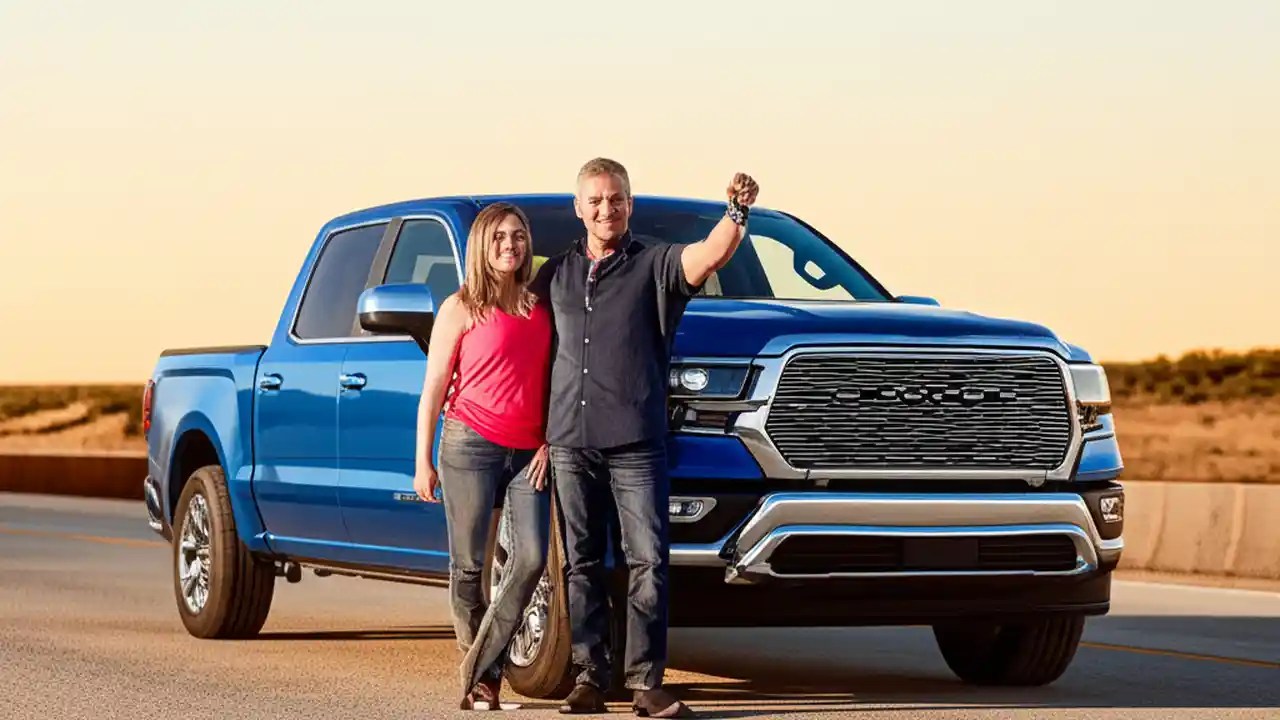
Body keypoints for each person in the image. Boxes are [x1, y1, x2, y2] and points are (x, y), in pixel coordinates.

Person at [531, 158, 759, 717]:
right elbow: (520, 343)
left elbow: (709, 254)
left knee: (648, 561)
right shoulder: (554, 274)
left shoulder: (655, 265)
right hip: (569, 441)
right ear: (578, 208)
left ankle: (645, 684)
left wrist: (736, 212)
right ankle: (589, 678)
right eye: (595, 200)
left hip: (635, 439)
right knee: (581, 563)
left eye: (616, 199)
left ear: (629, 205)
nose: (605, 209)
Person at [412, 201, 554, 711]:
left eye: (518, 235)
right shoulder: (460, 307)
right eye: (498, 237)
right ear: (480, 245)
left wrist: (549, 439)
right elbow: (433, 388)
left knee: (531, 558)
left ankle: (475, 671)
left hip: (529, 453)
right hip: (469, 445)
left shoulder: (541, 306)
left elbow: (556, 381)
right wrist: (422, 461)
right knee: (470, 567)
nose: (509, 245)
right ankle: (483, 684)